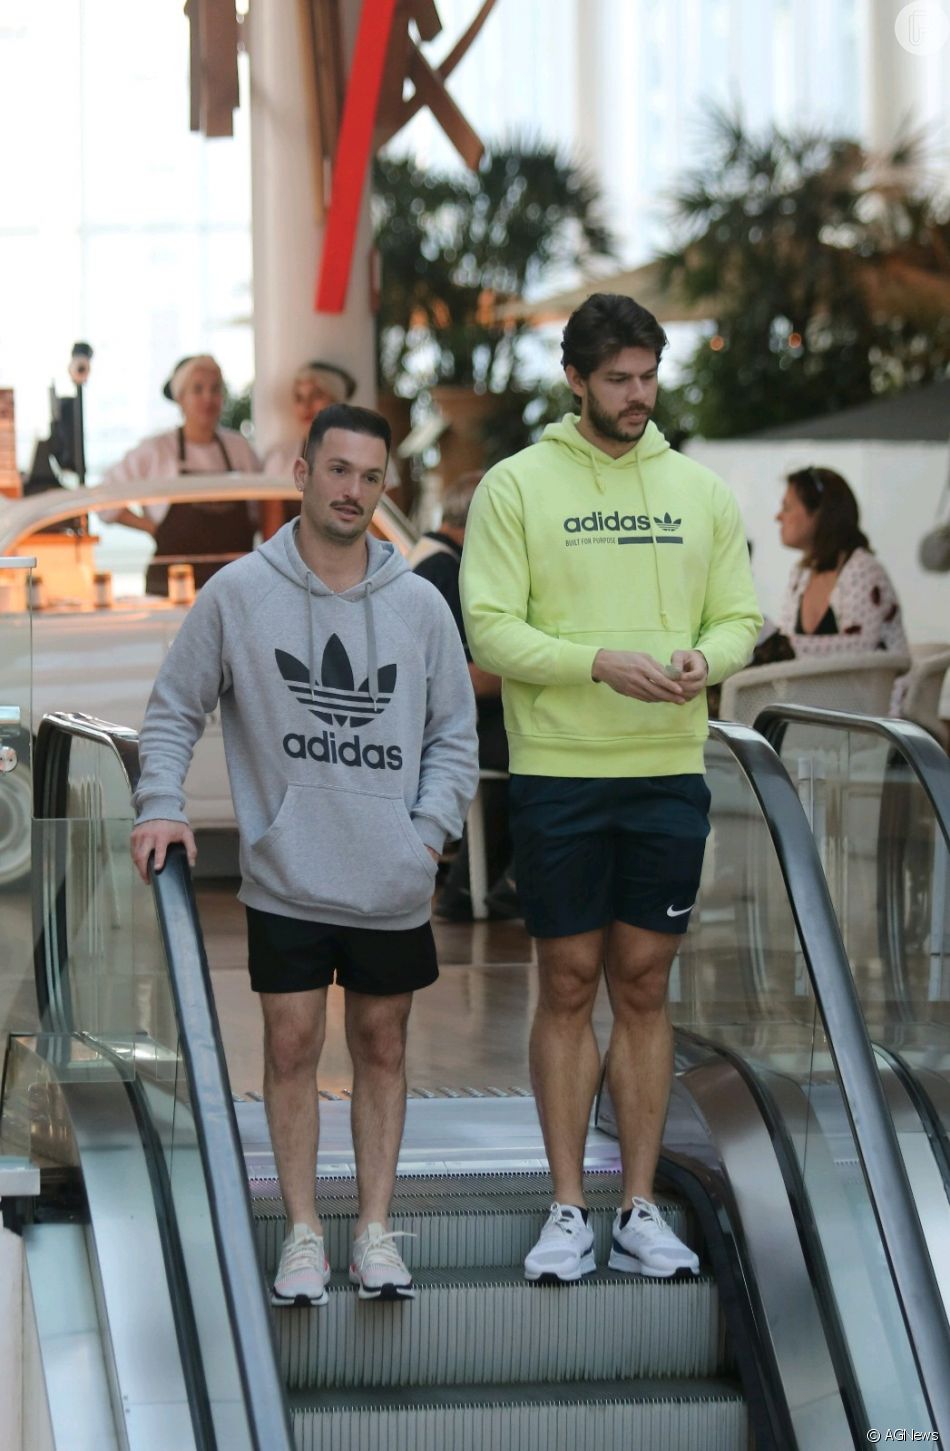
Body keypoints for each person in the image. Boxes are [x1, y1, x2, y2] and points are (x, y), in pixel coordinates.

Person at [130, 402, 478, 1306]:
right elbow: (173, 709)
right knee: (291, 1044)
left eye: (371, 476)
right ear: (303, 471)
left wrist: (428, 831)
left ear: (383, 485)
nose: (354, 491)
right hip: (288, 870)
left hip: (389, 875)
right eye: (339, 471)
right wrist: (161, 804)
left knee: (381, 1042)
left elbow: (455, 732)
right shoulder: (240, 593)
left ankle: (373, 1230)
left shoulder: (418, 604)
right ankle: (301, 1232)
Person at [460, 292, 761, 1284]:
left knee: (643, 982)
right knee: (567, 980)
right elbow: (489, 630)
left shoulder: (699, 492)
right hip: (558, 774)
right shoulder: (515, 487)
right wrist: (599, 661)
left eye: (647, 377)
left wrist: (694, 656)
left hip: (666, 770)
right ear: (575, 380)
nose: (637, 396)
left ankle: (635, 1206)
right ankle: (565, 1206)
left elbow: (738, 617)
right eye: (618, 380)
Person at [409, 472, 518, 920]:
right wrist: (544, 671)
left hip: (445, 721)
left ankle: (469, 887)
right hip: (439, 727)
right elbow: (464, 678)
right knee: (542, 741)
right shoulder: (442, 571)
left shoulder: (429, 559)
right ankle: (519, 881)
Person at [100, 354, 261, 594]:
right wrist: (153, 528)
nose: (208, 397)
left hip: (236, 588)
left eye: (215, 389)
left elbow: (262, 511)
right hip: (173, 588)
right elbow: (104, 503)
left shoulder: (239, 448)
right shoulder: (157, 449)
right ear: (180, 398)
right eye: (197, 389)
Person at [776, 465, 909, 658]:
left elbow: (862, 648)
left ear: (819, 513)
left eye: (787, 507)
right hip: (822, 689)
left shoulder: (863, 569)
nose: (778, 517)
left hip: (875, 688)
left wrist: (780, 647)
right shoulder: (800, 574)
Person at [261, 360, 358, 479]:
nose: (306, 406)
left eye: (316, 395)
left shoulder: (368, 455)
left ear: (337, 401)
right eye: (299, 398)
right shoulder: (280, 459)